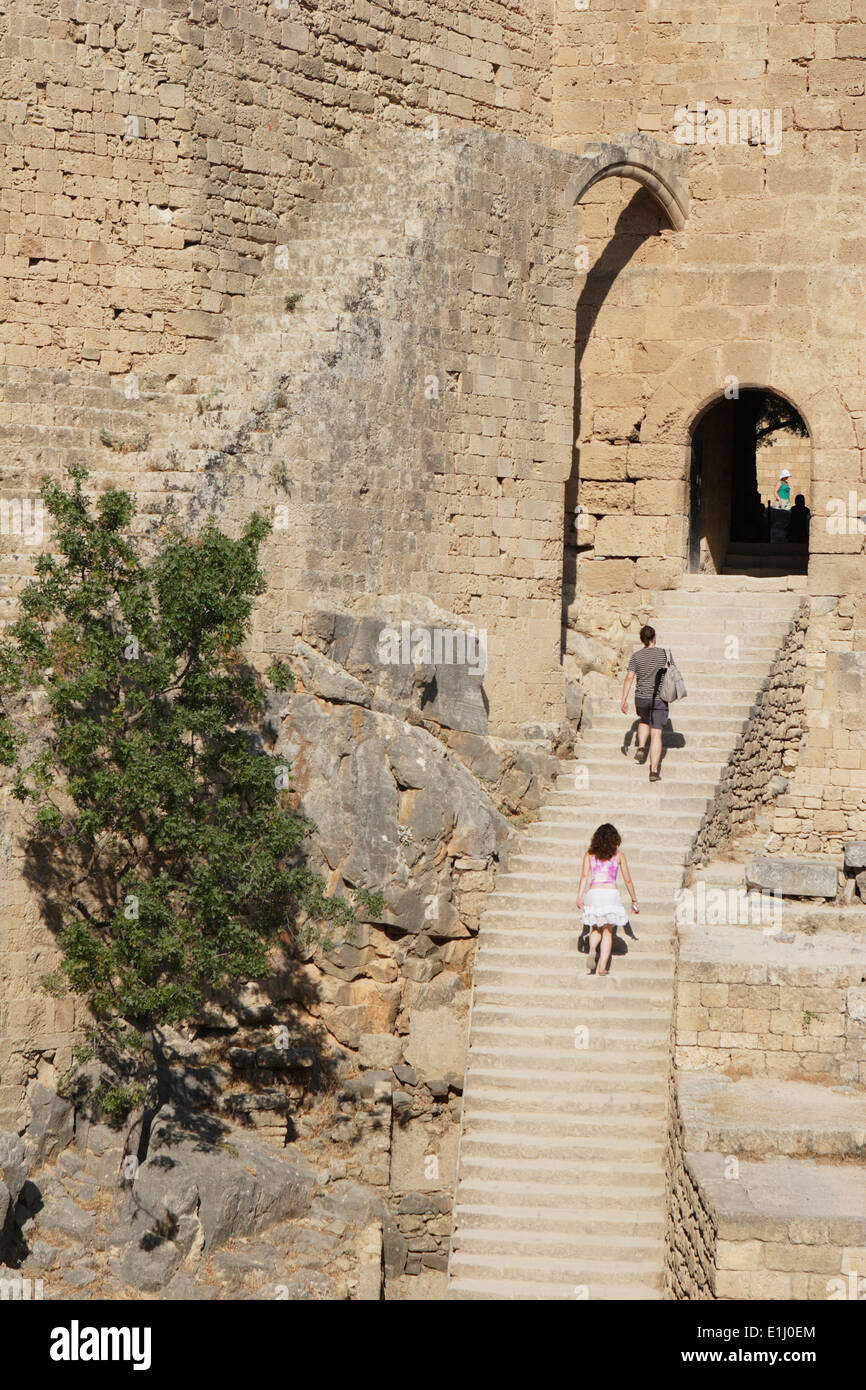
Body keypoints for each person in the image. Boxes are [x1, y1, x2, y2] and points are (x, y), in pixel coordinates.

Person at [577, 823, 639, 976]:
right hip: (610, 893)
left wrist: (579, 896)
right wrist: (634, 900)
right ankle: (602, 967)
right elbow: (628, 880)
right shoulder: (619, 855)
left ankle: (592, 949)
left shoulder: (589, 854)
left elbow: (585, 876)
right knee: (607, 930)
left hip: (594, 892)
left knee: (595, 928)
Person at [621, 624, 667, 782]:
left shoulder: (636, 656)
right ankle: (653, 771)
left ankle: (641, 746)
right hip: (659, 698)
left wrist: (624, 700)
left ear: (642, 639)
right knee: (656, 733)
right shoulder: (664, 654)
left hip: (641, 697)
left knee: (644, 720)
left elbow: (629, 678)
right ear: (654, 637)